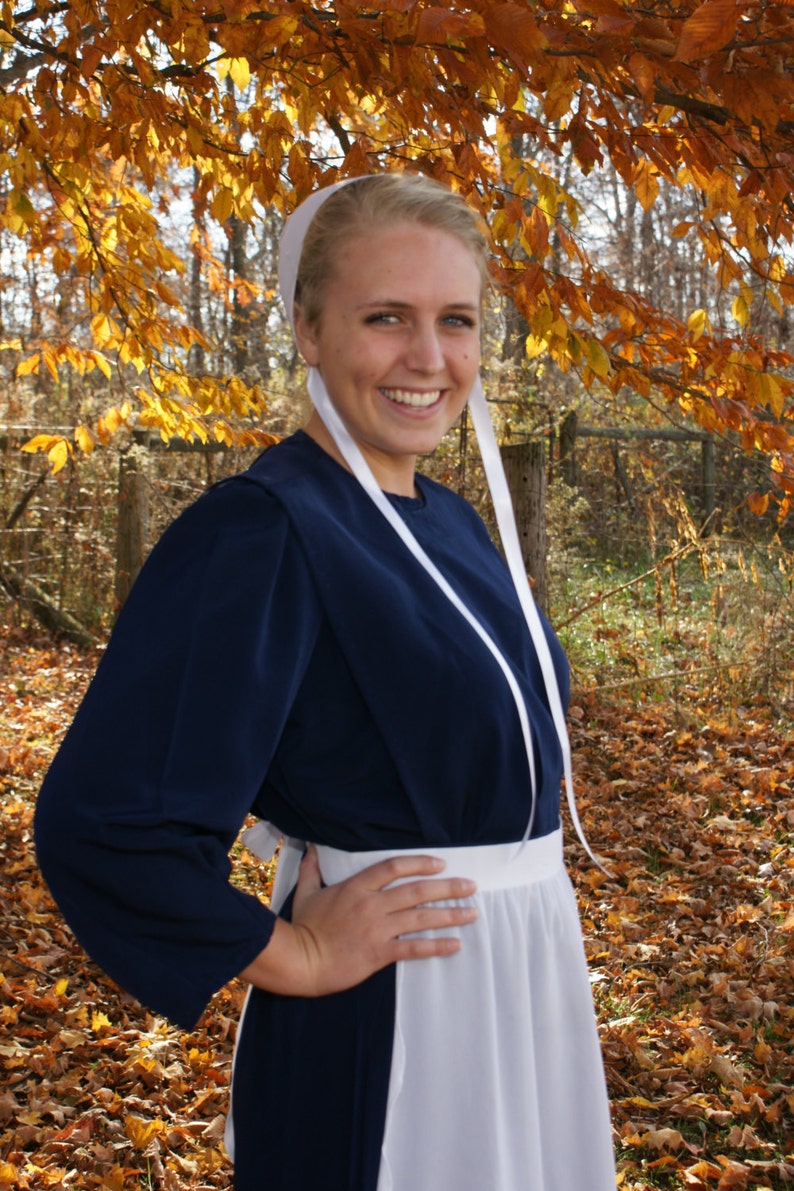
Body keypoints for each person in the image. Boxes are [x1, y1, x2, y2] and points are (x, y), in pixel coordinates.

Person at [34, 173, 616, 1191]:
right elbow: (105, 822)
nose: (428, 359)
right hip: (397, 1022)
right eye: (384, 318)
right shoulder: (262, 529)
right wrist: (292, 955)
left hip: (522, 992)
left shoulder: (450, 519)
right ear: (307, 330)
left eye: (456, 321)